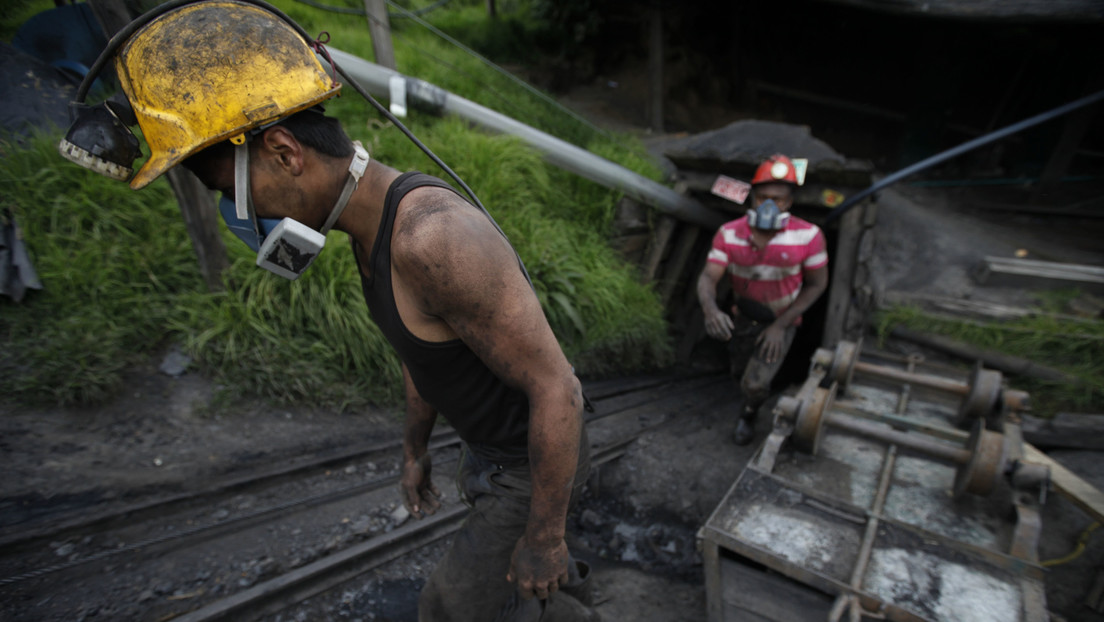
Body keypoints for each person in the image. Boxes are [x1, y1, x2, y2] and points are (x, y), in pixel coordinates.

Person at [58, 2, 596, 620]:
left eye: (229, 195)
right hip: (495, 454)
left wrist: (543, 536)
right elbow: (423, 356)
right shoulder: (366, 237)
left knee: (448, 606)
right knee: (535, 590)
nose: (236, 215)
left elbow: (560, 390)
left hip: (532, 460)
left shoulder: (431, 238)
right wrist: (414, 449)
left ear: (286, 153)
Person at [696, 154, 829, 446]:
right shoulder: (729, 233)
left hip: (781, 321)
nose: (770, 205)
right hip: (742, 318)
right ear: (753, 197)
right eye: (764, 197)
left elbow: (818, 284)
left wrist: (781, 326)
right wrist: (710, 310)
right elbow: (708, 277)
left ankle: (749, 413)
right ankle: (749, 400)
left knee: (756, 384)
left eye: (779, 199)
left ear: (790, 202)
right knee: (740, 374)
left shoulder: (809, 236)